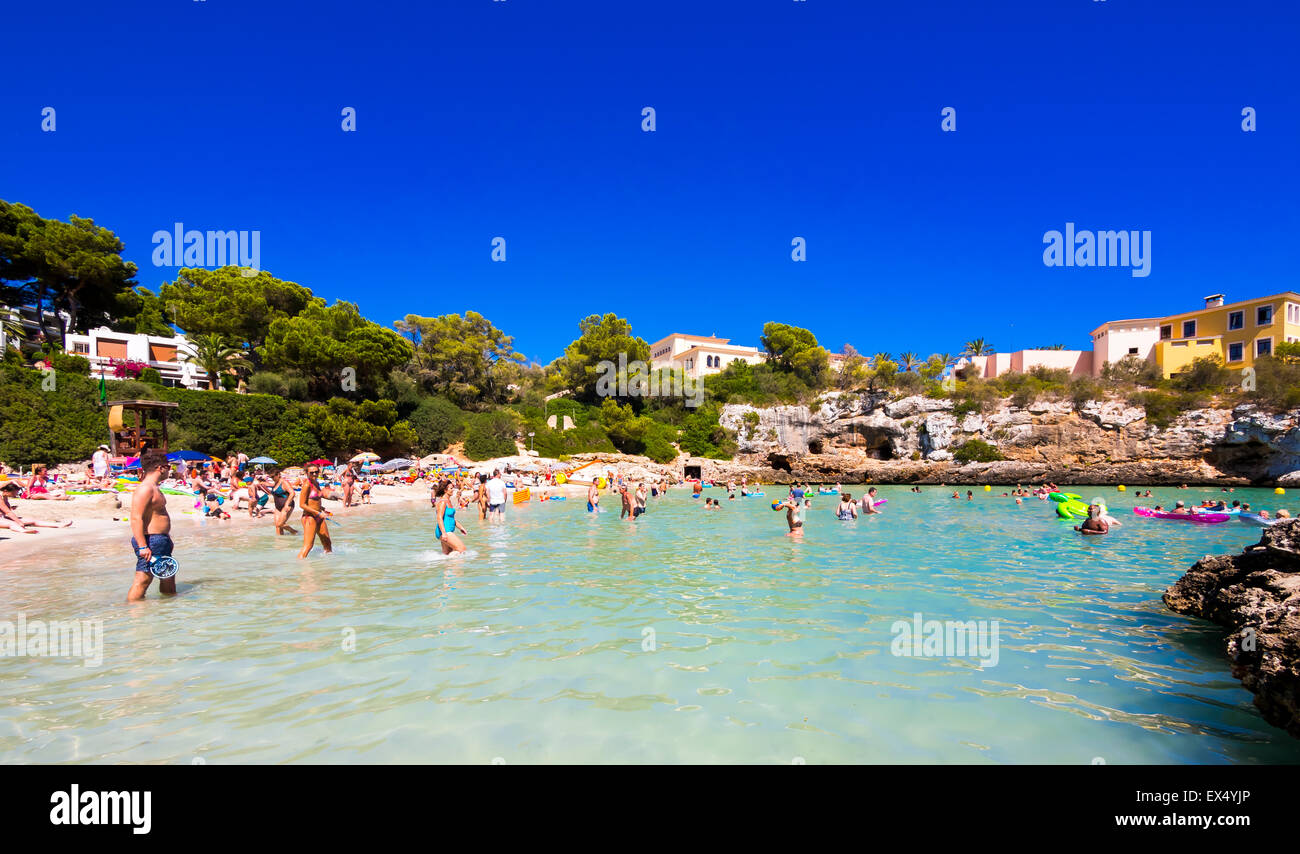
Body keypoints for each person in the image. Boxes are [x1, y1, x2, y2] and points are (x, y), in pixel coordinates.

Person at [127, 450, 175, 601]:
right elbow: (136, 517)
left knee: (167, 575)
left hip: (159, 540)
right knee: (143, 580)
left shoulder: (154, 487)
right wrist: (142, 546)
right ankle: (133, 613)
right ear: (160, 468)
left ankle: (169, 609)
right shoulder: (145, 488)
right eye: (168, 467)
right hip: (150, 541)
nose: (170, 470)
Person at [0, 481, 72, 533]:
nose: (15, 495)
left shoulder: (5, 496)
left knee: (32, 520)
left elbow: (6, 510)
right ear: (6, 491)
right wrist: (19, 522)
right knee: (13, 523)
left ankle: (58, 525)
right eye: (13, 493)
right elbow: (8, 512)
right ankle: (22, 530)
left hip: (3, 517)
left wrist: (11, 508)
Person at [298, 464, 334, 558]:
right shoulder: (307, 485)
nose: (314, 474)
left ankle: (328, 566)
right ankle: (300, 567)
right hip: (309, 517)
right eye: (311, 472)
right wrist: (317, 513)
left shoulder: (316, 483)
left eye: (316, 472)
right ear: (307, 473)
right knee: (308, 546)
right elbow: (302, 504)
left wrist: (321, 509)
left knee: (327, 543)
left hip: (318, 515)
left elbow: (313, 501)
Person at [433, 480, 467, 553]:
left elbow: (451, 519)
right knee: (462, 549)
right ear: (445, 490)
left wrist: (461, 528)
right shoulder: (443, 502)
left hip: (447, 530)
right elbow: (439, 517)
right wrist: (444, 533)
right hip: (445, 531)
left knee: (447, 555)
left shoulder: (448, 501)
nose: (453, 490)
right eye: (451, 488)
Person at [271, 468, 298, 535]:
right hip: (278, 507)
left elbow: (292, 493)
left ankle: (294, 532)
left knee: (280, 524)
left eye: (273, 476)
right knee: (277, 526)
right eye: (271, 477)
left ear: (278, 475)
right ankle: (279, 542)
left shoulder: (284, 482)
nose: (272, 478)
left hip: (287, 505)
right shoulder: (275, 483)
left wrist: (287, 504)